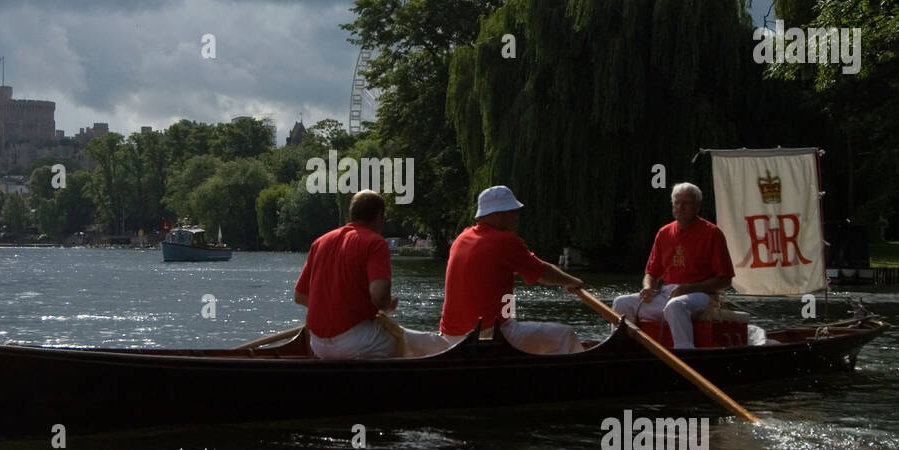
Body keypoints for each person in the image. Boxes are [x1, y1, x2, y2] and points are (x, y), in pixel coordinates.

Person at [294, 190, 444, 359]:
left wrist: (334, 311)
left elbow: (300, 296)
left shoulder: (320, 242)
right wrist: (388, 305)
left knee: (393, 336)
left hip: (318, 344)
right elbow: (379, 297)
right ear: (380, 215)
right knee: (420, 345)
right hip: (356, 342)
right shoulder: (375, 243)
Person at [440, 185, 586, 354]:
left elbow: (500, 269)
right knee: (565, 335)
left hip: (451, 336)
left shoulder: (462, 238)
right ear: (497, 215)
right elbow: (542, 272)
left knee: (511, 317)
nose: (515, 217)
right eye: (511, 212)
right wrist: (571, 281)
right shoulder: (504, 240)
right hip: (487, 334)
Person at [611, 182, 735, 348]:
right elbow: (651, 273)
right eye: (676, 203)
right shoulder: (664, 233)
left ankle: (684, 353)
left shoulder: (712, 233)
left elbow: (725, 280)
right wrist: (647, 287)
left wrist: (688, 288)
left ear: (698, 206)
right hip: (666, 294)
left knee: (675, 306)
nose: (680, 207)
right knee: (621, 303)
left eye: (686, 203)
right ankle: (621, 350)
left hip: (701, 295)